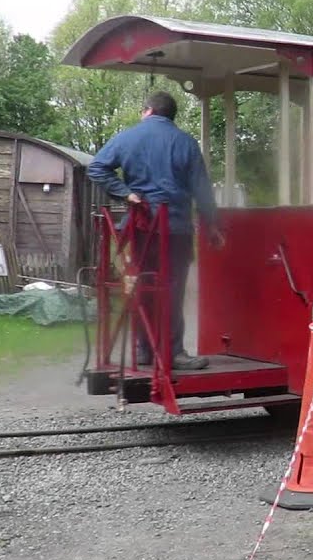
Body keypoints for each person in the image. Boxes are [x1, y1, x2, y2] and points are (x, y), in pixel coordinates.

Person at [88, 91, 222, 371]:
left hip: (138, 231)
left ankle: (143, 350)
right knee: (172, 290)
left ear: (148, 110)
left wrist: (126, 193)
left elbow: (97, 168)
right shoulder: (185, 142)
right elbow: (202, 191)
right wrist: (212, 226)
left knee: (138, 286)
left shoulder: (127, 137)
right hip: (176, 231)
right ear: (170, 114)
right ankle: (174, 352)